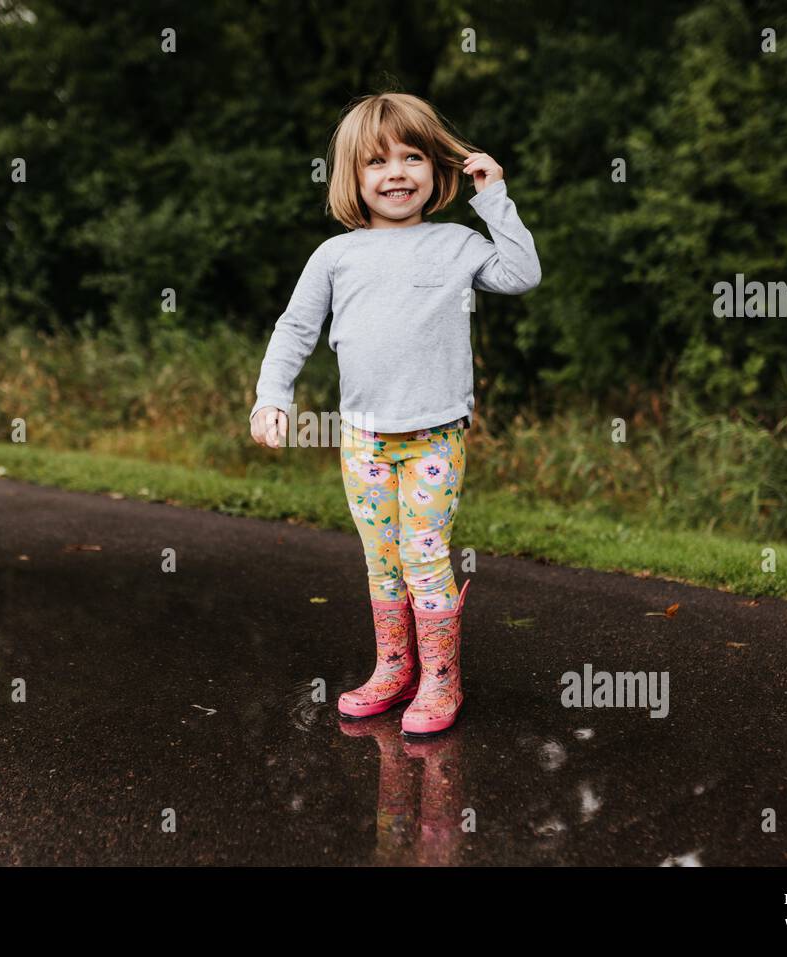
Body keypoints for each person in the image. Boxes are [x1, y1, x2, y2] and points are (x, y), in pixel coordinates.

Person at [249, 92, 542, 735]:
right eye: (377, 162)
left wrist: (493, 196)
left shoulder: (457, 243)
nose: (397, 173)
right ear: (352, 178)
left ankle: (441, 679)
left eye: (413, 156)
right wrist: (274, 396)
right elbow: (295, 329)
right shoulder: (335, 256)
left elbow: (522, 273)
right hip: (363, 440)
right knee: (380, 557)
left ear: (437, 169)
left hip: (435, 435)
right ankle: (394, 666)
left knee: (425, 551)